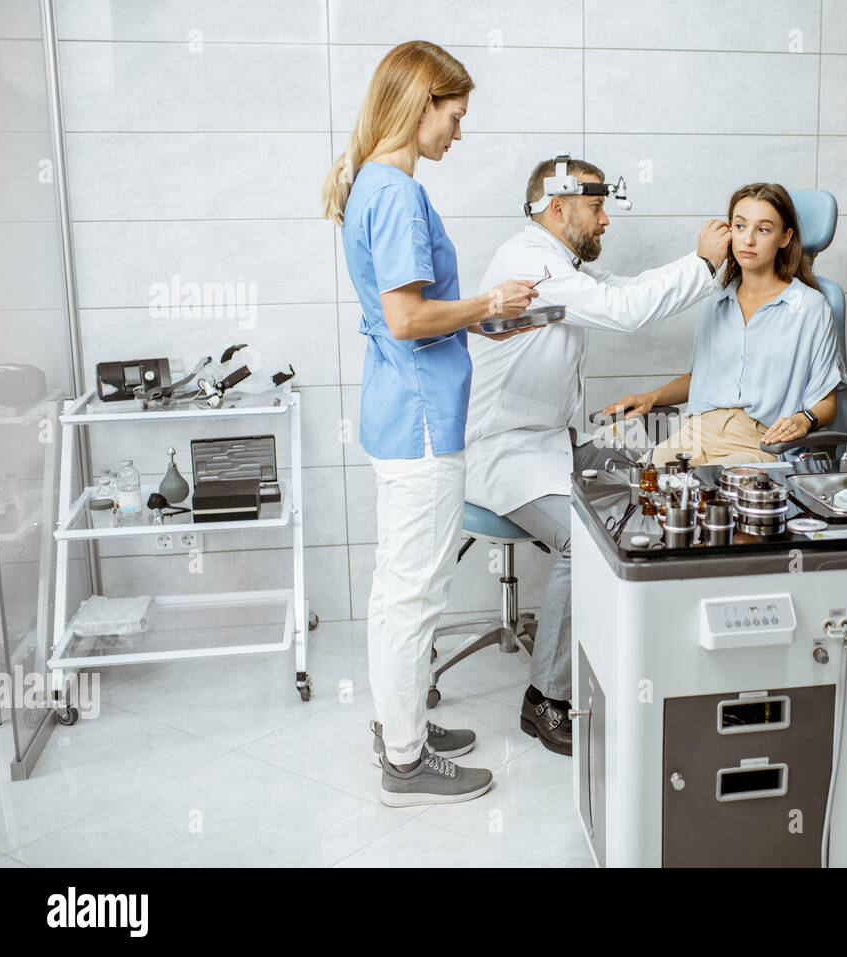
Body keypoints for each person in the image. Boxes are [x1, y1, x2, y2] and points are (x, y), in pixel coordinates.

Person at [322, 41, 539, 806]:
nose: (459, 132)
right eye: (455, 114)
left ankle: (399, 721)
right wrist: (488, 305)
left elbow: (409, 318)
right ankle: (407, 761)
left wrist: (484, 324)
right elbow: (408, 316)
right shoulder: (397, 193)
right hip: (421, 422)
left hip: (398, 408)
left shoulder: (372, 185)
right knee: (415, 594)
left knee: (394, 589)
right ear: (422, 104)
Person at [465, 156, 732, 755]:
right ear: (557, 206)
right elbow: (625, 313)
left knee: (648, 482)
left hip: (549, 440)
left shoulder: (556, 265)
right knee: (582, 540)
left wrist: (706, 269)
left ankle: (632, 650)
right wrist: (703, 261)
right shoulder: (532, 265)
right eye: (596, 207)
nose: (606, 220)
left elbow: (624, 291)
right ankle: (546, 699)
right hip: (502, 450)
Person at [603, 182, 845, 466]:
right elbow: (699, 378)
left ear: (785, 237)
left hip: (759, 441)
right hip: (696, 433)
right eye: (740, 226)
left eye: (763, 229)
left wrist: (804, 419)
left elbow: (828, 402)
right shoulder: (716, 298)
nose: (748, 240)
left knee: (716, 496)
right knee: (641, 487)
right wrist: (650, 397)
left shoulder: (810, 307)